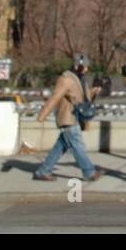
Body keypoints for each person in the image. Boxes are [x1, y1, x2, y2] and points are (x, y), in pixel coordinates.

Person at [33, 53, 103, 182]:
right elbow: (55, 97)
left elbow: (83, 96)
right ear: (77, 66)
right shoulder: (65, 79)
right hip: (67, 117)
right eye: (85, 66)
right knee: (77, 145)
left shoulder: (80, 78)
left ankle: (43, 171)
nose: (87, 69)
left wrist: (94, 90)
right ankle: (89, 172)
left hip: (75, 116)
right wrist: (42, 116)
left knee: (61, 146)